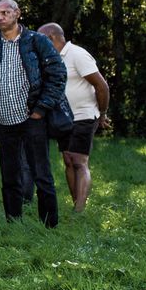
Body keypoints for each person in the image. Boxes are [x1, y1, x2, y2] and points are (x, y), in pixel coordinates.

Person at [0, 0, 66, 227]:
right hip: (3, 121)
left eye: (5, 12)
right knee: (9, 176)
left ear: (18, 13)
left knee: (41, 174)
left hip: (32, 119)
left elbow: (57, 74)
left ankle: (49, 225)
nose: (0, 17)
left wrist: (41, 108)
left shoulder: (37, 41)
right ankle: (13, 223)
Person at [36, 23, 110, 212]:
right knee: (68, 160)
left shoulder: (77, 54)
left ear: (51, 37)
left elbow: (102, 86)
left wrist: (102, 114)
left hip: (84, 115)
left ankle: (79, 209)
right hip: (63, 118)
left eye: (40, 39)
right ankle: (76, 202)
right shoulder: (50, 59)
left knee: (79, 160)